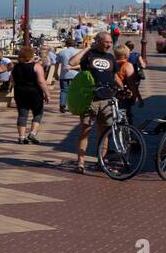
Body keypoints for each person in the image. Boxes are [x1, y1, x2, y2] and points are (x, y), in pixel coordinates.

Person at [69, 32, 122, 174]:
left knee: (104, 133)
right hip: (90, 99)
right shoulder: (89, 55)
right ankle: (80, 163)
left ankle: (101, 163)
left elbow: (115, 76)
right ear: (98, 41)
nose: (109, 45)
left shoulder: (111, 57)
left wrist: (123, 88)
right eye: (106, 42)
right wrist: (87, 48)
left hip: (107, 100)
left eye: (111, 42)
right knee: (85, 131)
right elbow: (72, 62)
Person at [11, 45, 51, 145]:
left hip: (20, 92)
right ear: (31, 55)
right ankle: (32, 133)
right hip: (34, 92)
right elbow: (41, 81)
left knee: (22, 114)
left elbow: (12, 80)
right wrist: (47, 93)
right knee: (38, 113)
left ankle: (21, 137)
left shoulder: (16, 67)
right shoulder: (36, 66)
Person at [52, 33, 79, 113]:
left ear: (66, 44)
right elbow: (80, 65)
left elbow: (56, 64)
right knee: (75, 91)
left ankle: (62, 105)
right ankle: (73, 105)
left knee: (64, 90)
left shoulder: (62, 52)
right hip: (75, 75)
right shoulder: (78, 53)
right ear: (74, 44)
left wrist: (55, 73)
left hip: (64, 75)